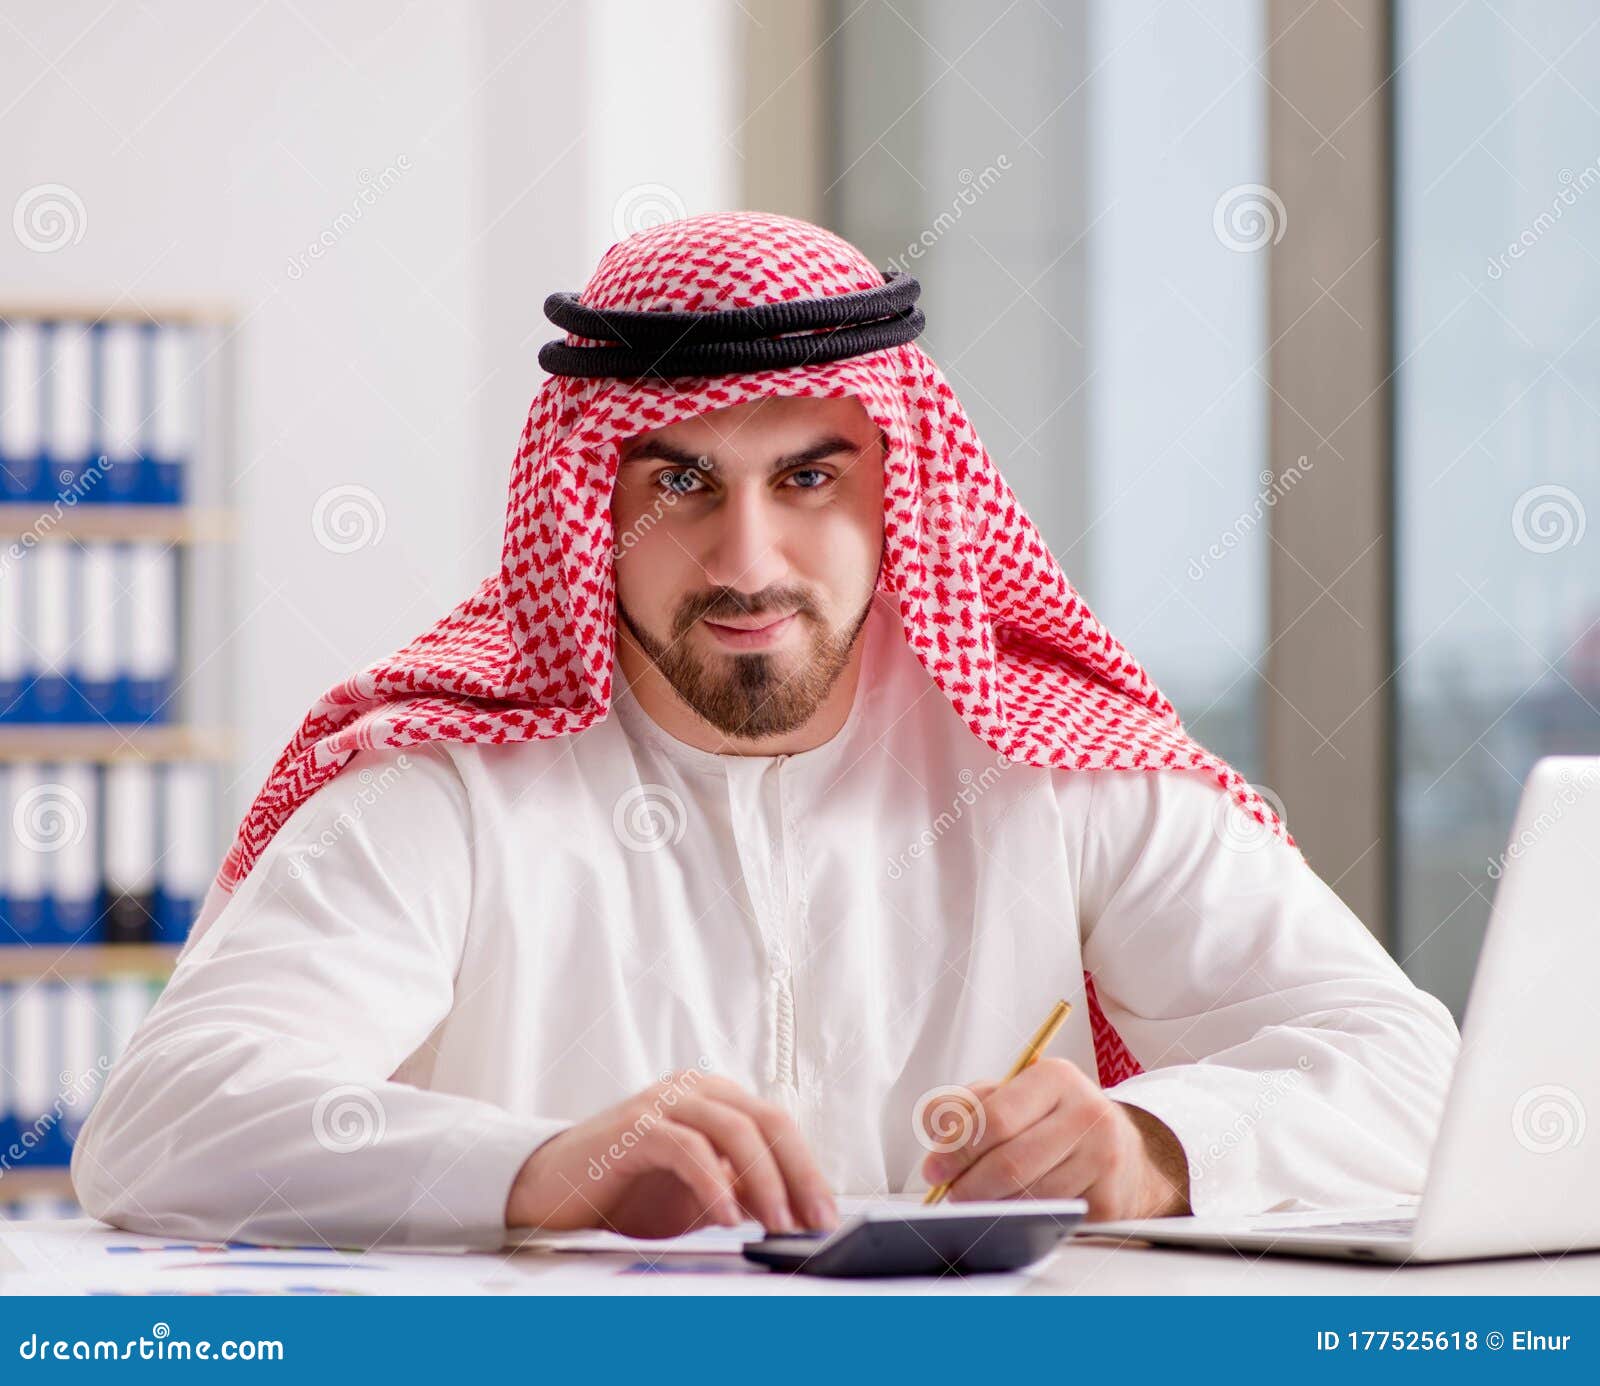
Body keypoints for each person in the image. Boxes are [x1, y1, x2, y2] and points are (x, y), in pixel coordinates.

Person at [70, 212, 1459, 1251]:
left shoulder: (1048, 765)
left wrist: (1153, 1142)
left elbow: (1418, 1073)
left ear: (899, 486)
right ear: (592, 502)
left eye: (810, 476)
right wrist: (541, 1167)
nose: (746, 558)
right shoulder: (444, 787)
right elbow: (163, 1121)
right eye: (679, 480)